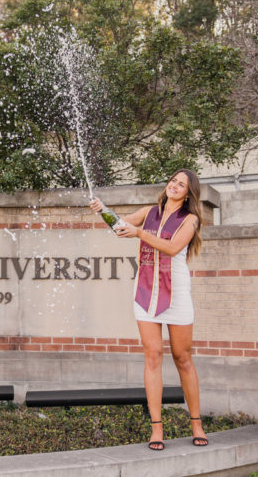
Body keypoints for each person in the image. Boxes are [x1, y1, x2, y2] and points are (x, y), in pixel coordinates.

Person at [90, 169, 208, 450]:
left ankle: (196, 423)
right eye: (173, 180)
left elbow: (172, 247)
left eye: (182, 184)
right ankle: (157, 428)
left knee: (182, 357)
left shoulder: (190, 219)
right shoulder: (149, 212)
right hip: (145, 292)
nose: (174, 186)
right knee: (153, 355)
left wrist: (140, 232)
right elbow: (120, 226)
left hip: (176, 294)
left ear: (189, 193)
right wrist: (103, 210)